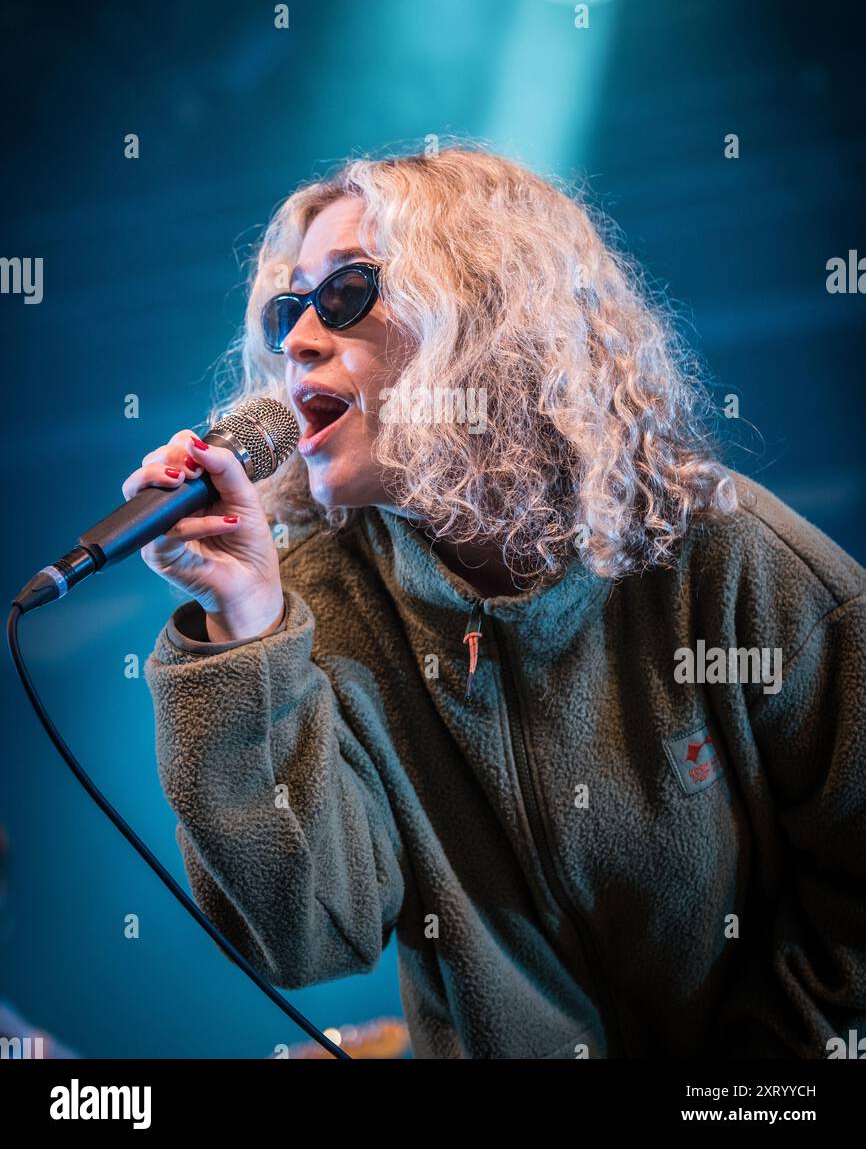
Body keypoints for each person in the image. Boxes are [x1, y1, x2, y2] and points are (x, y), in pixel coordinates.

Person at [136, 147, 866, 1059]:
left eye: (346, 294)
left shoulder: (720, 554)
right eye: (289, 310)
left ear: (489, 318)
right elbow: (309, 934)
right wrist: (240, 622)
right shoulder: (316, 607)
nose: (296, 342)